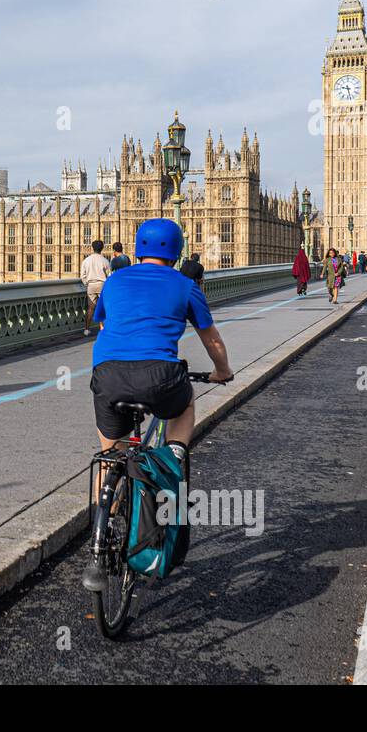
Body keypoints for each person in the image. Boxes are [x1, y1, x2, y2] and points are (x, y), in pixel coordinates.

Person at [83, 218, 232, 589]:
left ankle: (102, 533)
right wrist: (222, 372)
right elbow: (211, 340)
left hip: (108, 375)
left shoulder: (115, 280)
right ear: (177, 252)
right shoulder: (185, 285)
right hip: (160, 376)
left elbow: (103, 325)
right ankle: (176, 454)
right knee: (184, 405)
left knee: (110, 454)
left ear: (137, 247)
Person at [80, 240, 111, 335]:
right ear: (102, 248)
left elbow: (83, 276)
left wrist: (87, 283)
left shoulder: (86, 260)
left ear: (92, 248)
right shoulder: (105, 261)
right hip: (102, 285)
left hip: (91, 285)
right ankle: (102, 328)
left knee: (90, 308)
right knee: (103, 307)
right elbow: (109, 275)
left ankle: (86, 329)